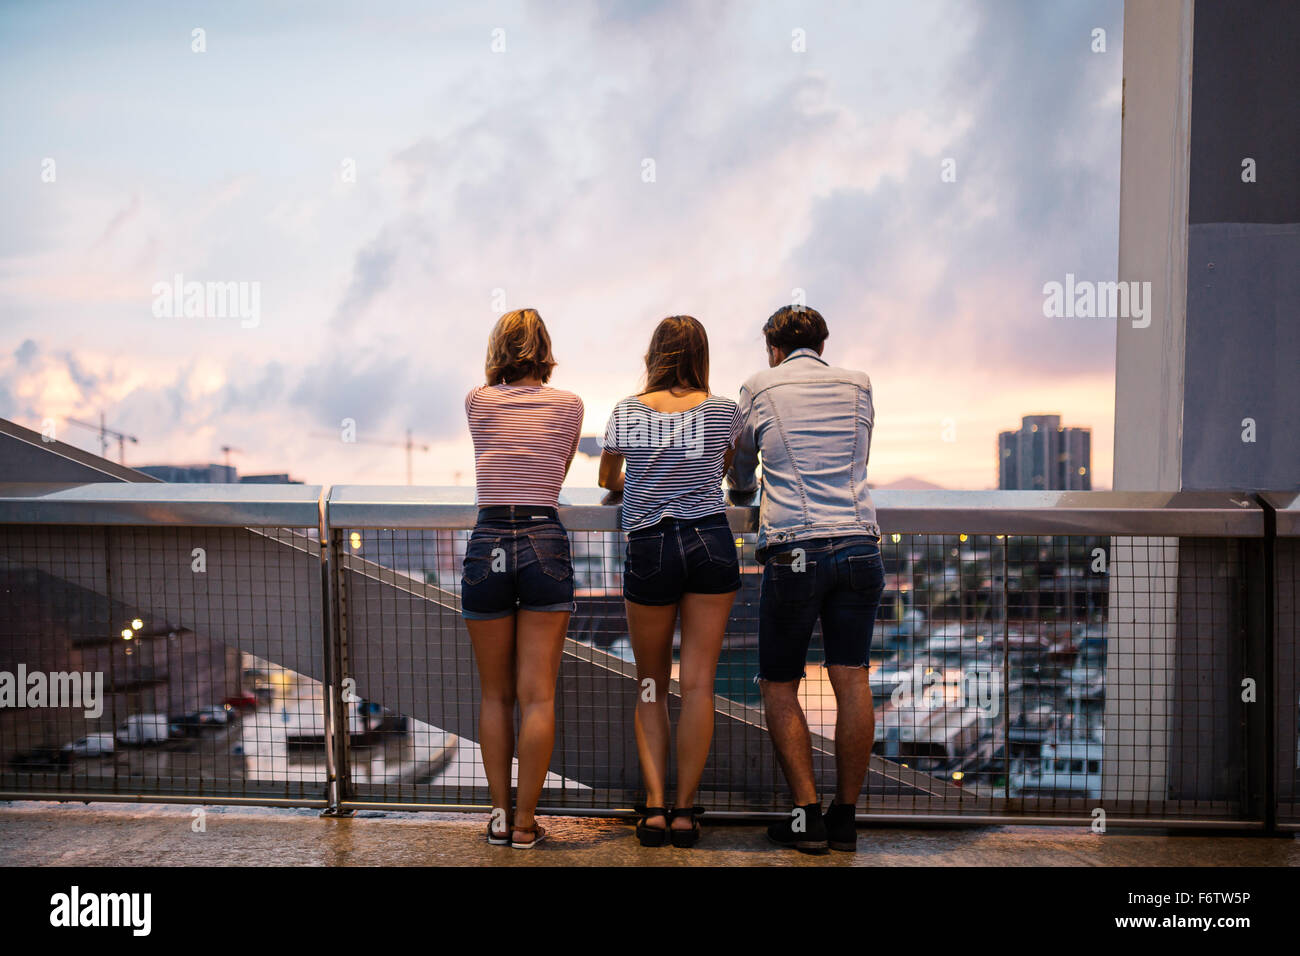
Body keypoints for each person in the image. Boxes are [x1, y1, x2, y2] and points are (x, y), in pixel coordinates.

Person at [727, 305, 885, 854]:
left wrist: (745, 494)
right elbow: (858, 455)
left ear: (772, 347)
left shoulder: (758, 385)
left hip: (795, 550)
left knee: (779, 683)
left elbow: (741, 464)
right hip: (860, 545)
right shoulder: (859, 384)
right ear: (823, 343)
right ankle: (846, 819)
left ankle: (806, 819)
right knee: (852, 679)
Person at [598, 315, 743, 847]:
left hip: (651, 542)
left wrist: (639, 477)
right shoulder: (724, 409)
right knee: (698, 684)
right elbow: (724, 470)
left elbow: (607, 477)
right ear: (701, 356)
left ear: (653, 354)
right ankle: (687, 813)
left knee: (651, 683)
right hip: (708, 539)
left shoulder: (628, 410)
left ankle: (654, 809)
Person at [462, 308, 584, 849]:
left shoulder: (477, 402)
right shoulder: (570, 406)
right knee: (538, 696)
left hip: (489, 540)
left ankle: (496, 813)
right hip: (543, 538)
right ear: (546, 349)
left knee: (495, 696)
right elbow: (555, 472)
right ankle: (525, 824)